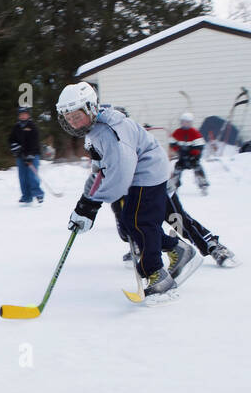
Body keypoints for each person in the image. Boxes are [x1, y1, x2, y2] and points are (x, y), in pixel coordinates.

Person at [55, 83, 201, 304]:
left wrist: (91, 206)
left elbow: (118, 180)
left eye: (77, 116)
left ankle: (158, 277)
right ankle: (178, 249)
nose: (73, 122)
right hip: (139, 173)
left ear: (91, 108)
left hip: (147, 173)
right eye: (69, 118)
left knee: (140, 223)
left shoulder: (110, 134)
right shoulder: (94, 132)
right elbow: (100, 171)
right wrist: (83, 205)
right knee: (131, 223)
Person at [119, 169, 238, 267]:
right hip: (130, 192)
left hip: (156, 184)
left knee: (178, 222)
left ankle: (212, 245)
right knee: (134, 223)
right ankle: (142, 245)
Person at [8, 107, 44, 205]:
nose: (23, 116)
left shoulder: (32, 126)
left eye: (25, 114)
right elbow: (11, 140)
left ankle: (38, 193)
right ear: (19, 116)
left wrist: (31, 155)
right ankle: (26, 196)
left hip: (33, 155)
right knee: (23, 177)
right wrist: (15, 148)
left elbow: (35, 142)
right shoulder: (16, 127)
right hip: (21, 156)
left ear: (28, 115)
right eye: (21, 114)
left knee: (32, 175)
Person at [169, 111, 209, 195]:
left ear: (191, 123)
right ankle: (173, 186)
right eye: (183, 122)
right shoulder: (177, 132)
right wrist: (178, 150)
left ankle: (203, 185)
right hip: (182, 156)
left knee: (198, 168)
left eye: (187, 122)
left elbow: (200, 146)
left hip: (193, 157)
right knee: (177, 169)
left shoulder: (194, 133)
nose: (185, 124)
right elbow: (172, 143)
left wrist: (195, 155)